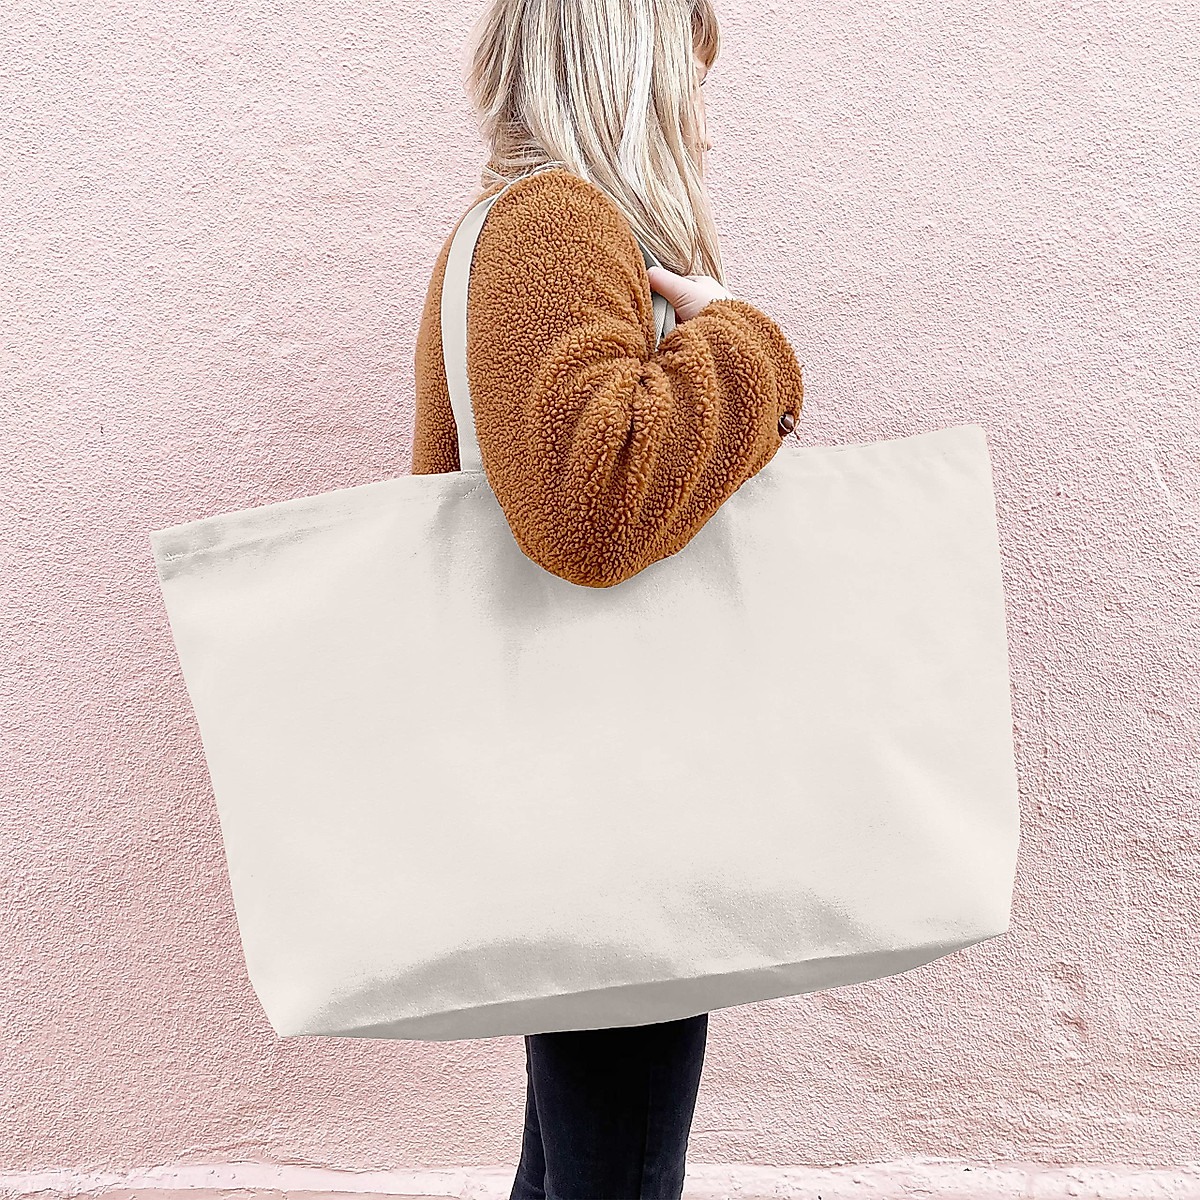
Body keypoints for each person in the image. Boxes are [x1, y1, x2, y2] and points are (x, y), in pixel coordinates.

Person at [411, 0, 805, 1193]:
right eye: (691, 81)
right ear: (628, 74)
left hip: (577, 776)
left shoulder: (522, 227)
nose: (703, 120)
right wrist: (744, 344)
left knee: (581, 1160)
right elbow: (591, 506)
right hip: (616, 793)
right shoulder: (556, 224)